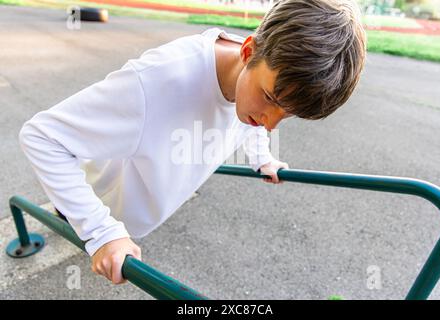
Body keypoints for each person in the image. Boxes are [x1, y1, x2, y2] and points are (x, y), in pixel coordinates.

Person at [19, 0, 366, 285]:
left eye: (287, 115)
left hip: (143, 210)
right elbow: (42, 137)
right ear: (248, 50)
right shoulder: (157, 81)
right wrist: (101, 232)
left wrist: (263, 159)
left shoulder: (259, 79)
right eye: (271, 99)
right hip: (103, 210)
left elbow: (254, 124)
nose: (271, 123)